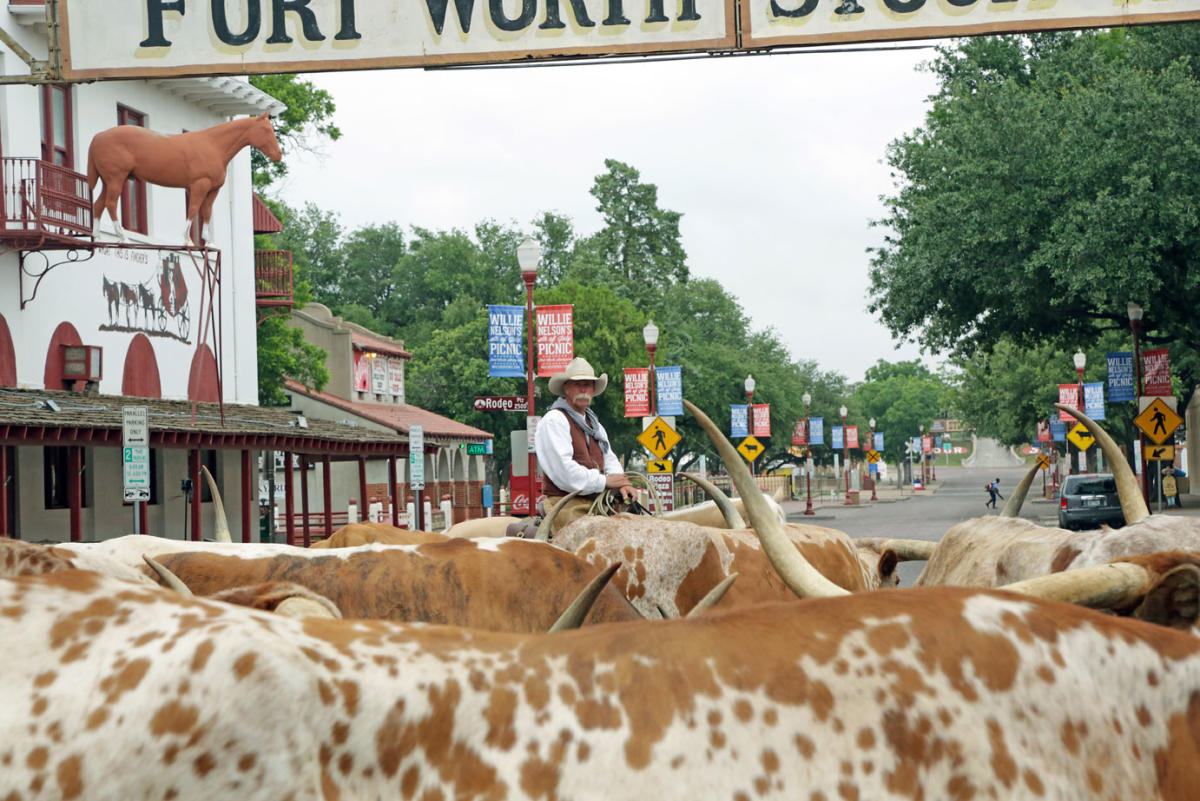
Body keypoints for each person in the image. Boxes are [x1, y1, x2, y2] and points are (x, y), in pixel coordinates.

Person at [533, 357, 636, 536]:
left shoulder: (594, 424)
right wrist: (605, 481)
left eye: (588, 384)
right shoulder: (554, 420)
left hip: (596, 502)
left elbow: (609, 458)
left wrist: (622, 483)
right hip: (565, 503)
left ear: (593, 389)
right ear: (566, 388)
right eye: (577, 384)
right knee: (586, 545)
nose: (583, 389)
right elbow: (564, 472)